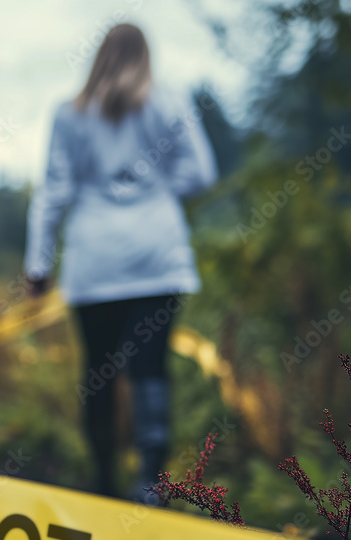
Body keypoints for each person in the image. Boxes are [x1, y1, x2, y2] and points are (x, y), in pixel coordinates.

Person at [23, 23, 218, 504]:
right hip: (157, 257)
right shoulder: (168, 103)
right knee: (150, 368)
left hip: (96, 263)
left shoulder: (69, 116)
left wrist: (38, 264)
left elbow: (53, 193)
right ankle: (151, 481)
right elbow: (201, 174)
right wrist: (153, 187)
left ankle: (104, 481)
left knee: (99, 371)